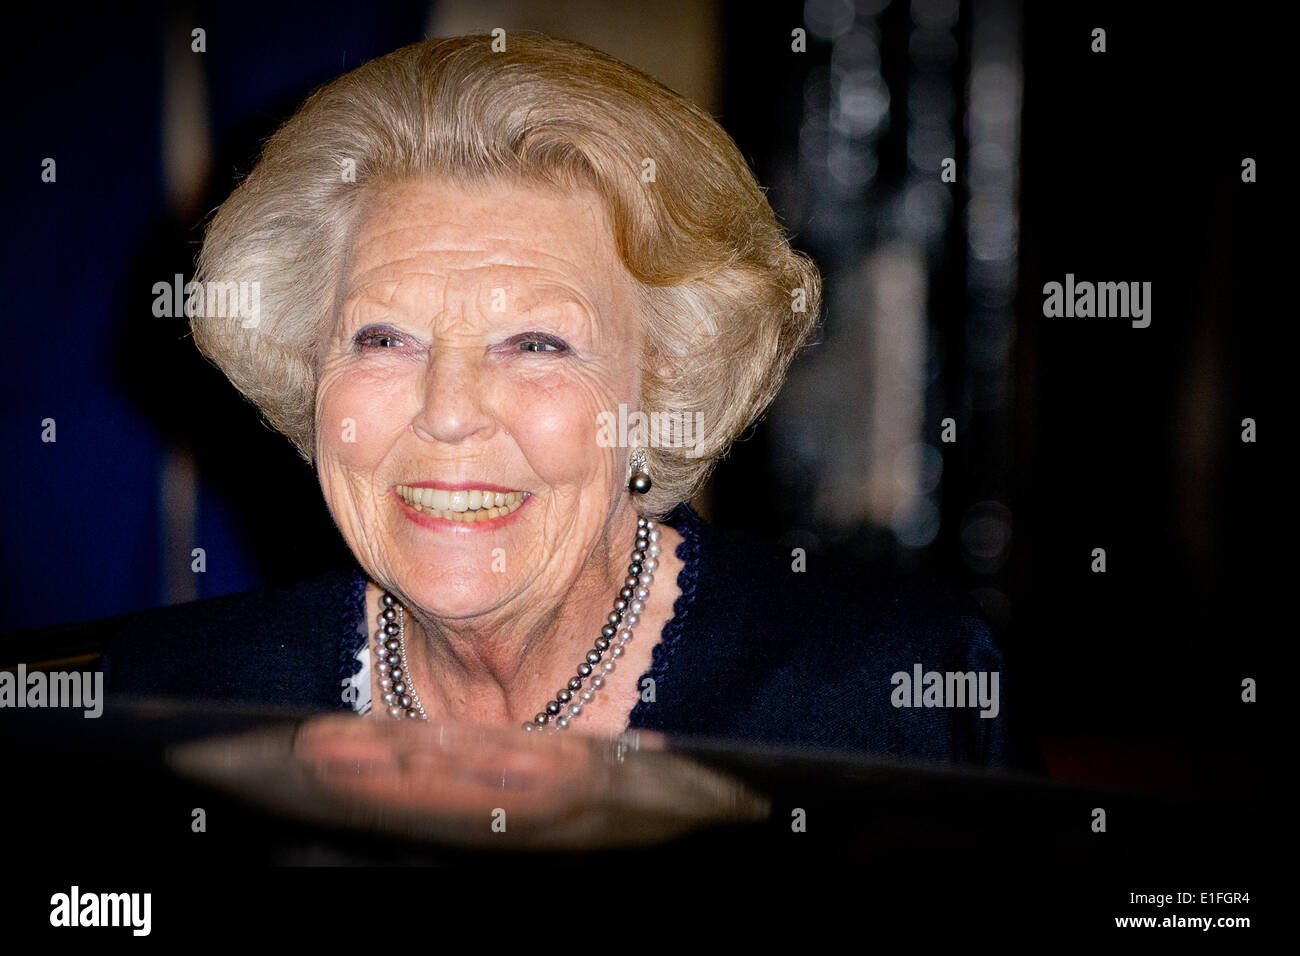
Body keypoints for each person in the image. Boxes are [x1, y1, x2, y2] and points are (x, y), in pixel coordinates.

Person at [94, 34, 1035, 769]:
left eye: (535, 344)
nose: (450, 413)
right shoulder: (175, 696)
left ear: (664, 376)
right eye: (385, 339)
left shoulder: (887, 696)